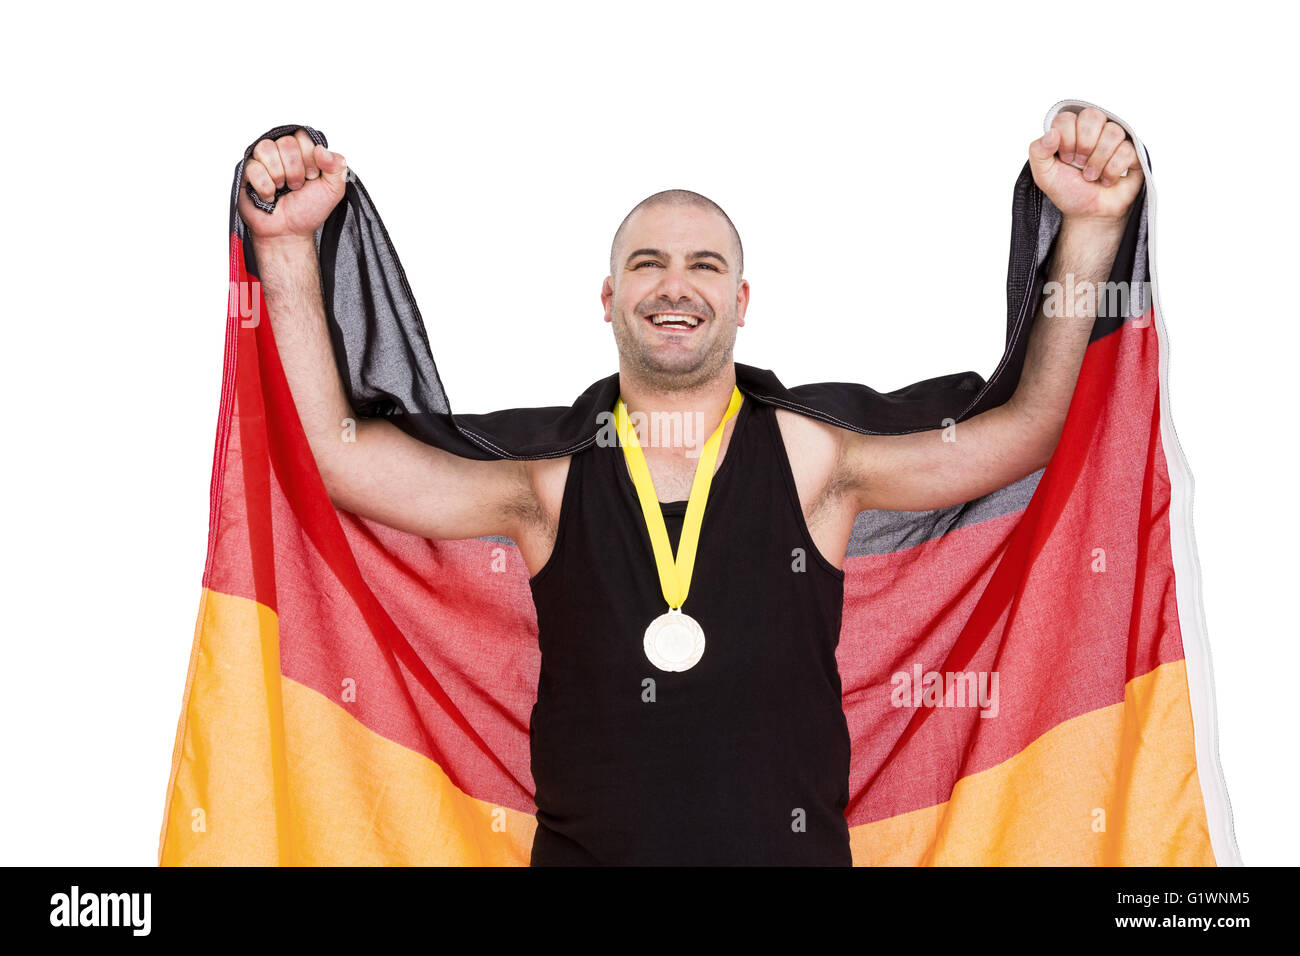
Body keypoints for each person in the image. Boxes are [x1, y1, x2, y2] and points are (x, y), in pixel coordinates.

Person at [238, 107, 1143, 865]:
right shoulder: (547, 481)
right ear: (607, 297)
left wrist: (1093, 227)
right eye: (648, 264)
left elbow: (1024, 432)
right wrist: (283, 243)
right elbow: (343, 458)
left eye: (706, 266)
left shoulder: (813, 459)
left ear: (742, 301)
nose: (677, 287)